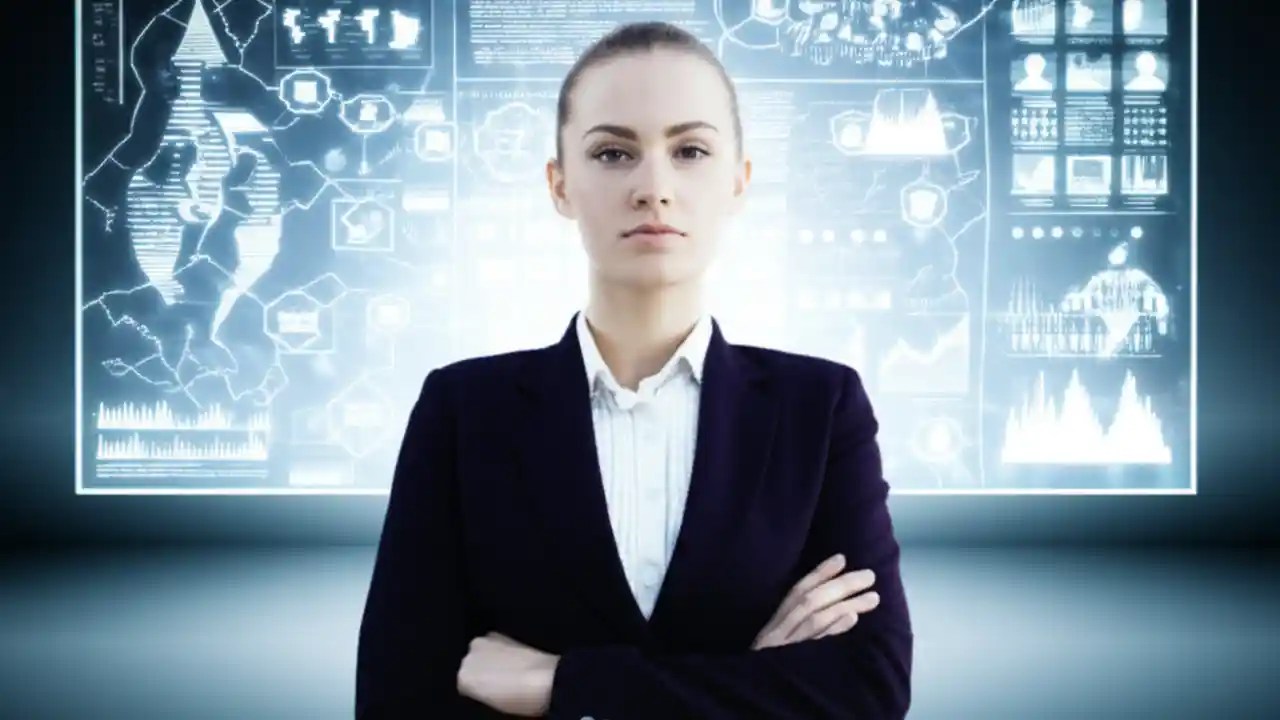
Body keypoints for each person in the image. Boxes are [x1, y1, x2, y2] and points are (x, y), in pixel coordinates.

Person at [355, 20, 913, 719]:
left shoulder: (820, 407)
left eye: (691, 150)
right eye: (614, 153)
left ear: (738, 182)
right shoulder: (464, 411)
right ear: (559, 185)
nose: (654, 187)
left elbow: (869, 691)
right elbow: (398, 698)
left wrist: (565, 685)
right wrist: (747, 680)